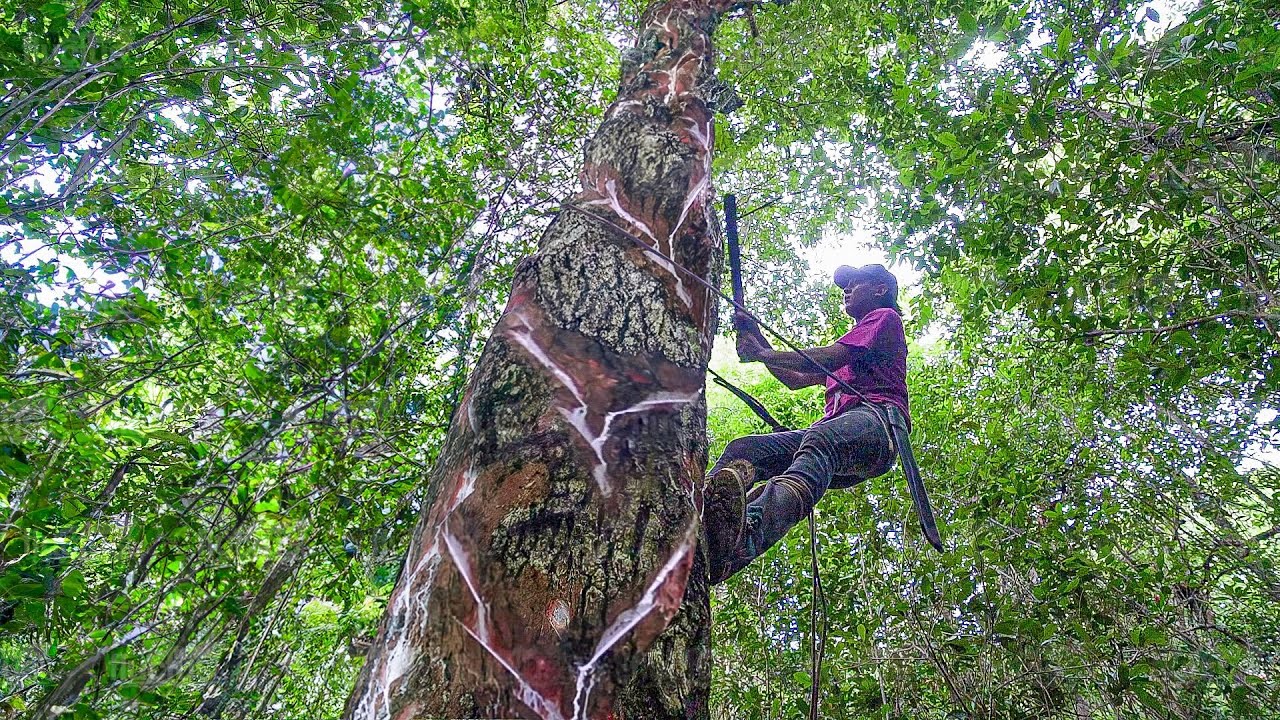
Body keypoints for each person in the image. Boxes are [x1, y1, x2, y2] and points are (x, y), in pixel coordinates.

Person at [704, 264, 911, 584]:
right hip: (840, 434)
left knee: (820, 438)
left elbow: (828, 357)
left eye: (855, 284)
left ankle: (747, 537)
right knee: (746, 450)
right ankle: (702, 514)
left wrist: (762, 353)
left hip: (877, 426)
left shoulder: (884, 319)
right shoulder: (856, 348)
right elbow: (795, 379)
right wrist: (757, 338)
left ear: (880, 290)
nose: (847, 290)